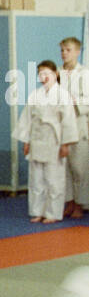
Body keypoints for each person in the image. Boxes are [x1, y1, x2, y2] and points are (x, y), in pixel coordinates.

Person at [13, 61, 77, 223]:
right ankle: (37, 211)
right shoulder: (35, 95)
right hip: (37, 139)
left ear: (55, 74)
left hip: (54, 140)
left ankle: (53, 213)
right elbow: (27, 119)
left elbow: (68, 121)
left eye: (47, 73)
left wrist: (65, 144)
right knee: (36, 178)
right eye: (40, 74)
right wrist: (26, 141)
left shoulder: (63, 95)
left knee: (54, 179)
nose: (43, 77)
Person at [59, 36, 89, 218]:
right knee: (64, 167)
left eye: (68, 50)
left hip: (78, 124)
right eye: (62, 50)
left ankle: (80, 203)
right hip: (60, 125)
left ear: (77, 52)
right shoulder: (57, 73)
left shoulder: (84, 73)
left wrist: (73, 101)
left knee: (79, 167)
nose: (64, 53)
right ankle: (69, 202)